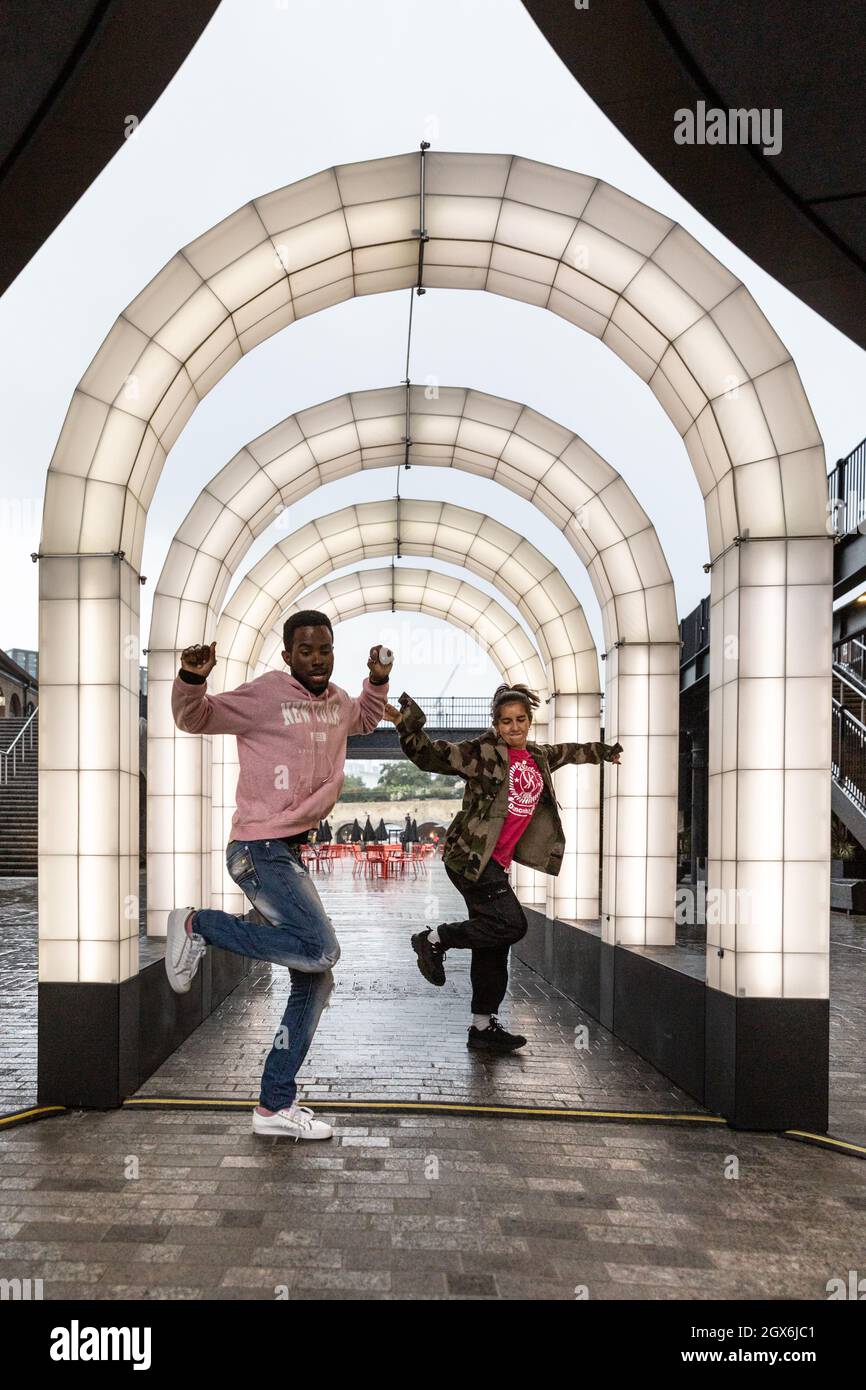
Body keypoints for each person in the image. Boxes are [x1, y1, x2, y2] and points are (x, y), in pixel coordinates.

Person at [166, 610, 392, 1139]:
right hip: (258, 847)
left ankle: (273, 1107)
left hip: (287, 851)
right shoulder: (266, 695)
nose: (317, 659)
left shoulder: (338, 703)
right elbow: (194, 718)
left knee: (315, 980)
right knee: (321, 949)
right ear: (288, 654)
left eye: (325, 650)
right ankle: (199, 926)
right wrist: (193, 679)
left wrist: (378, 679)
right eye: (306, 651)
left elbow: (365, 718)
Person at [384, 683, 621, 1052]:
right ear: (495, 724)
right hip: (471, 860)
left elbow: (570, 751)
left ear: (529, 721)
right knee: (512, 924)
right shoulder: (482, 753)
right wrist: (406, 723)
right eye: (506, 722)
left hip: (496, 863)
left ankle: (482, 1027)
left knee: (495, 942)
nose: (514, 728)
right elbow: (431, 756)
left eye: (521, 720)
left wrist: (603, 752)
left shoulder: (538, 756)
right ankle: (433, 939)